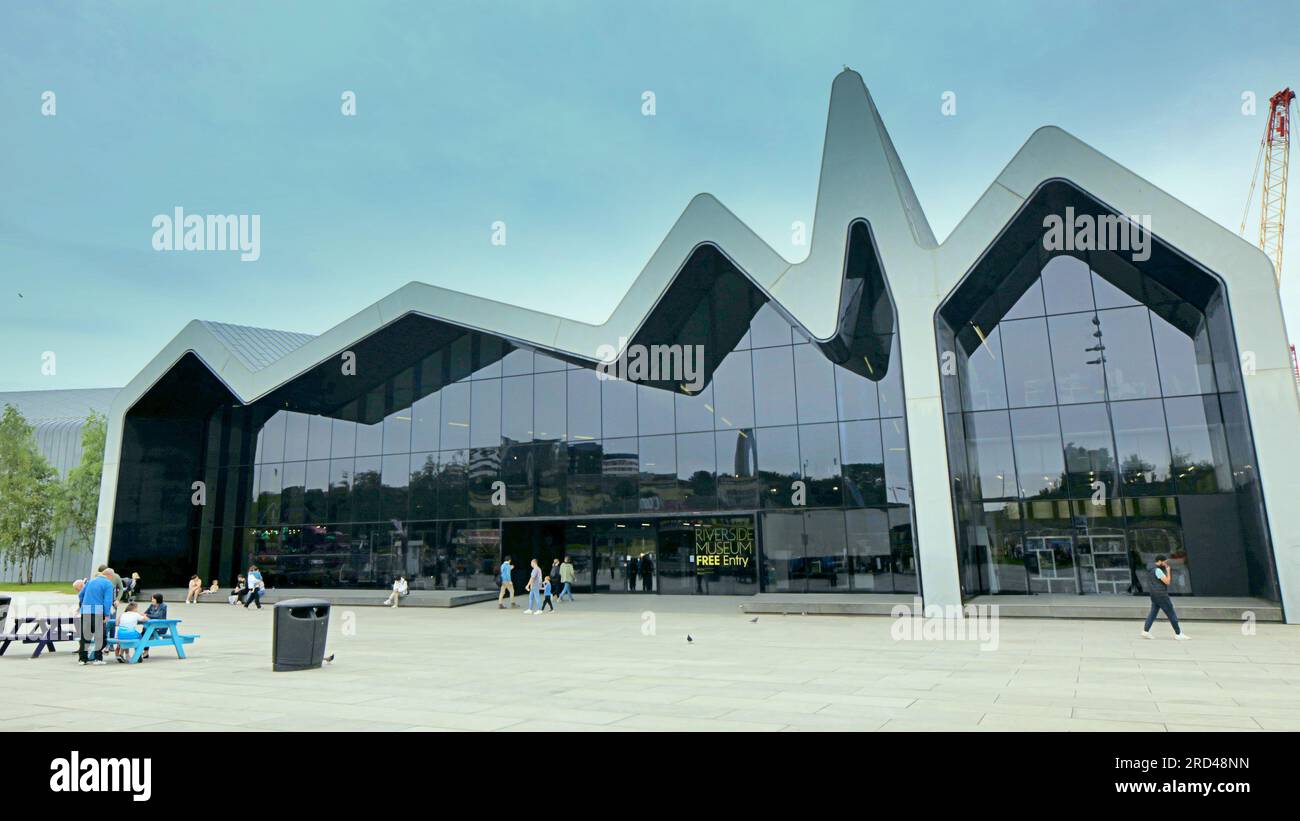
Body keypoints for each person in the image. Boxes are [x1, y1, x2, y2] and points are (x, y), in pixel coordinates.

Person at [1142, 555, 1189, 640]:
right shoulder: (1157, 570)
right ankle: (1178, 634)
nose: (1165, 563)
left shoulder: (1149, 569)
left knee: (1153, 612)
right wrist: (1168, 571)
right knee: (1171, 612)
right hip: (1161, 594)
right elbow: (1167, 582)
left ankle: (1145, 631)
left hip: (1153, 594)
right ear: (1160, 561)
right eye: (1164, 562)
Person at [78, 568, 116, 665]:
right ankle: (98, 658)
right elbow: (107, 601)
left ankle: (82, 659)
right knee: (100, 636)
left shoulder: (90, 581)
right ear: (110, 576)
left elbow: (81, 594)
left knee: (85, 636)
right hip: (98, 611)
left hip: (85, 610)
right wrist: (106, 614)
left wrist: (84, 604)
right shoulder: (108, 584)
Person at [142, 594, 168, 659]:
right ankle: (144, 650)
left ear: (157, 599)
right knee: (145, 631)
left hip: (161, 627)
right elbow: (145, 613)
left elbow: (159, 616)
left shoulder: (163, 606)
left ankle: (143, 649)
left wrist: (147, 615)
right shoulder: (151, 605)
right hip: (152, 626)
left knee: (146, 632)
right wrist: (146, 615)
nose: (152, 600)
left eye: (153, 599)